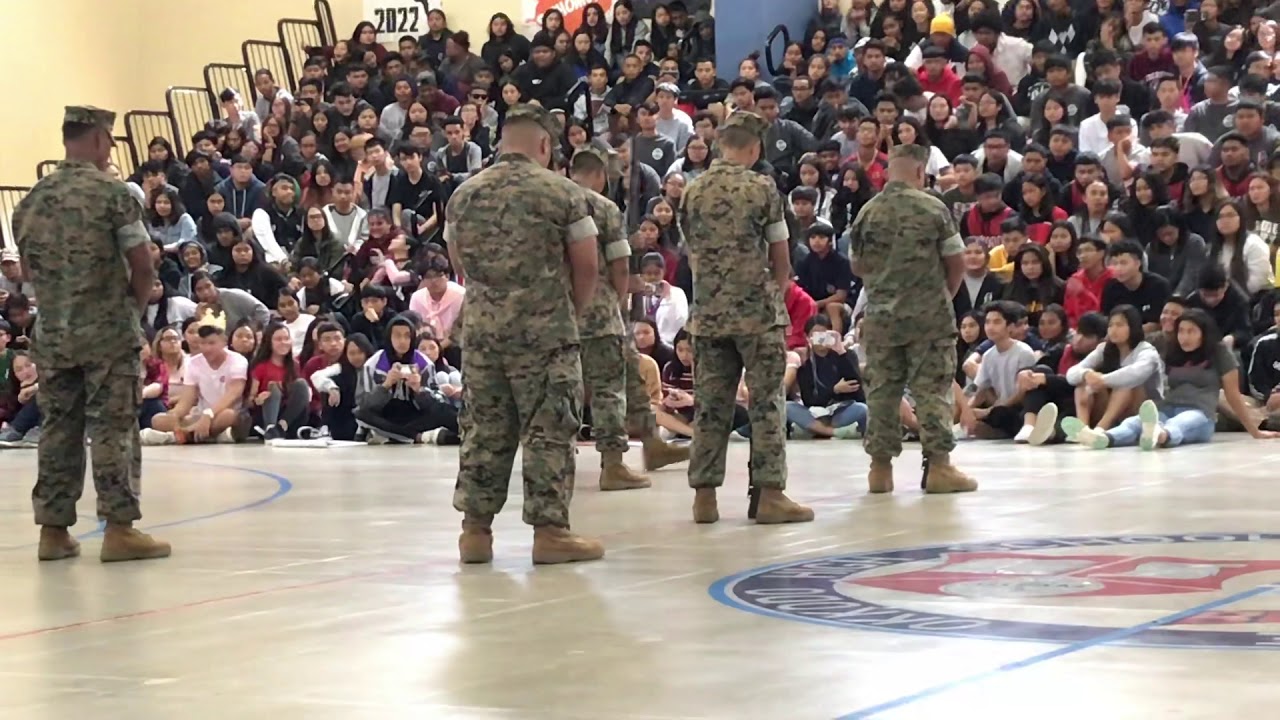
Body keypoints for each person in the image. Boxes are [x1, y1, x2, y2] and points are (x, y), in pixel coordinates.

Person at [446, 104, 603, 565]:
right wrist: (567, 312)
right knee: (548, 430)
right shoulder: (563, 194)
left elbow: (459, 262)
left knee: (484, 430)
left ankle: (475, 532)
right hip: (545, 331)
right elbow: (588, 265)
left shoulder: (464, 195)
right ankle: (550, 531)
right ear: (544, 145)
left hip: (482, 333)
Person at [11, 105, 170, 563]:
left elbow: (27, 272)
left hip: (54, 335)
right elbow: (143, 264)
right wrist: (132, 314)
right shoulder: (113, 193)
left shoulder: (32, 200)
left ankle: (53, 531)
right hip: (106, 333)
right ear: (99, 139)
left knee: (58, 429)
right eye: (111, 140)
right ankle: (119, 528)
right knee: (114, 426)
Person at [679, 110, 813, 525]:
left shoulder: (692, 191)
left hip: (708, 314)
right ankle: (770, 492)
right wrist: (773, 292)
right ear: (755, 148)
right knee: (766, 402)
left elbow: (690, 251)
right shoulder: (762, 188)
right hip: (756, 314)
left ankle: (705, 497)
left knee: (711, 405)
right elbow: (781, 255)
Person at [849, 143, 976, 494]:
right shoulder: (933, 207)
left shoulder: (868, 212)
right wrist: (941, 297)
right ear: (921, 171)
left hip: (881, 318)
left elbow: (857, 265)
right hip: (928, 318)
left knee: (882, 393)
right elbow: (956, 262)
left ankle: (880, 470)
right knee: (932, 391)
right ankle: (938, 467)